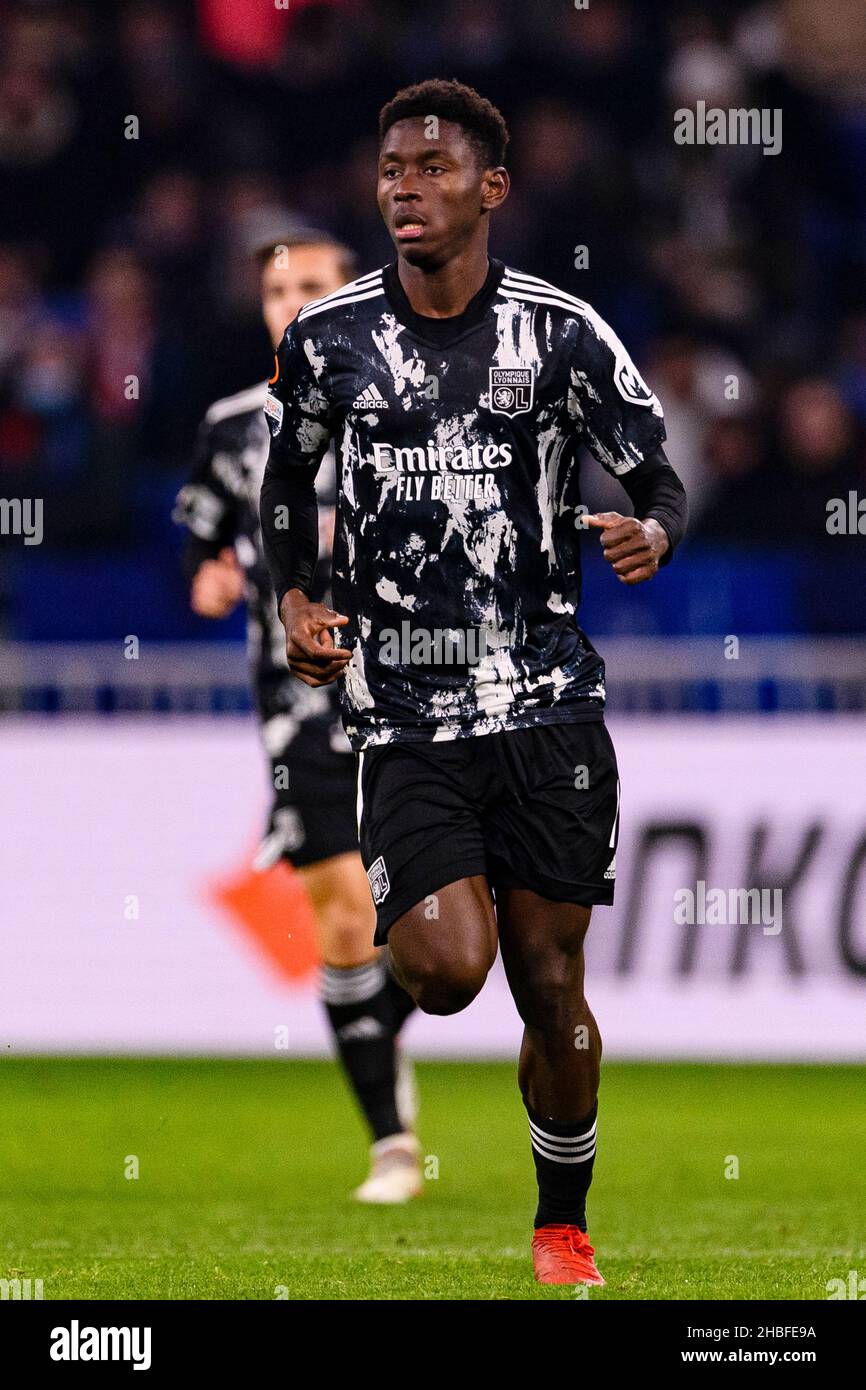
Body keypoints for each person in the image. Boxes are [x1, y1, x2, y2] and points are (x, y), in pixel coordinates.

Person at [260, 82, 687, 1284]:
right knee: (449, 972)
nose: (405, 185)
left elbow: (655, 472)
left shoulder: (558, 333)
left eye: (434, 167)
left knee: (549, 986)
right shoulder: (330, 341)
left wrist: (651, 532)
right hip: (403, 715)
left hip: (548, 706)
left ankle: (562, 1225)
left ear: (489, 188)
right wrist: (299, 592)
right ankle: (442, 945)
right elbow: (284, 485)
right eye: (391, 167)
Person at [175, 231, 421, 1205]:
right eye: (276, 288)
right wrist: (209, 570)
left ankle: (380, 1027)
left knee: (434, 928)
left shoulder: (406, 410)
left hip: (412, 696)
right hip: (297, 708)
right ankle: (391, 1143)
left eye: (309, 285)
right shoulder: (233, 426)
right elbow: (197, 534)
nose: (289, 301)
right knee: (341, 912)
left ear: (348, 294)